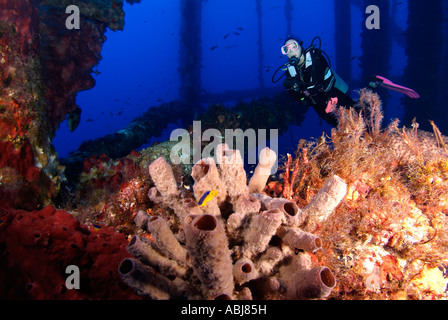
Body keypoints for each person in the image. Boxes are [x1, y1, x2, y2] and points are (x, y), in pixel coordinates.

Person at [280, 37, 356, 127]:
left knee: (357, 113)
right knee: (339, 127)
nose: (291, 51)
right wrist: (298, 93)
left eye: (294, 46)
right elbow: (295, 95)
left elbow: (321, 79)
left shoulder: (315, 56)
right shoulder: (290, 71)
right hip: (318, 104)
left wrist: (308, 91)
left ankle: (373, 84)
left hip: (333, 93)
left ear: (300, 46)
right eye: (286, 49)